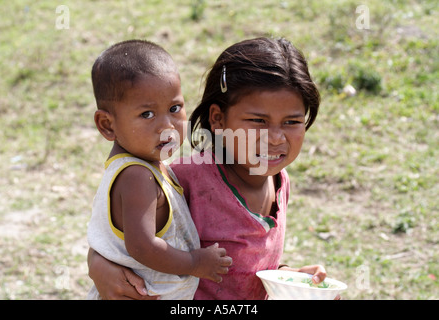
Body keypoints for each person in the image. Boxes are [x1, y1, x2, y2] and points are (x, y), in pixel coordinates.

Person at [88, 37, 329, 300]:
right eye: (258, 120)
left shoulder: (279, 181)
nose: (275, 138)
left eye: (292, 121)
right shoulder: (184, 179)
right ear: (217, 119)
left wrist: (288, 277)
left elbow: (249, 266)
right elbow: (118, 237)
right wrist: (98, 266)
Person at [87, 39, 232, 300]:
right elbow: (142, 247)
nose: (167, 125)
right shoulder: (136, 176)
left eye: (174, 109)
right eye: (147, 114)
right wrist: (194, 262)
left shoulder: (148, 166)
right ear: (107, 125)